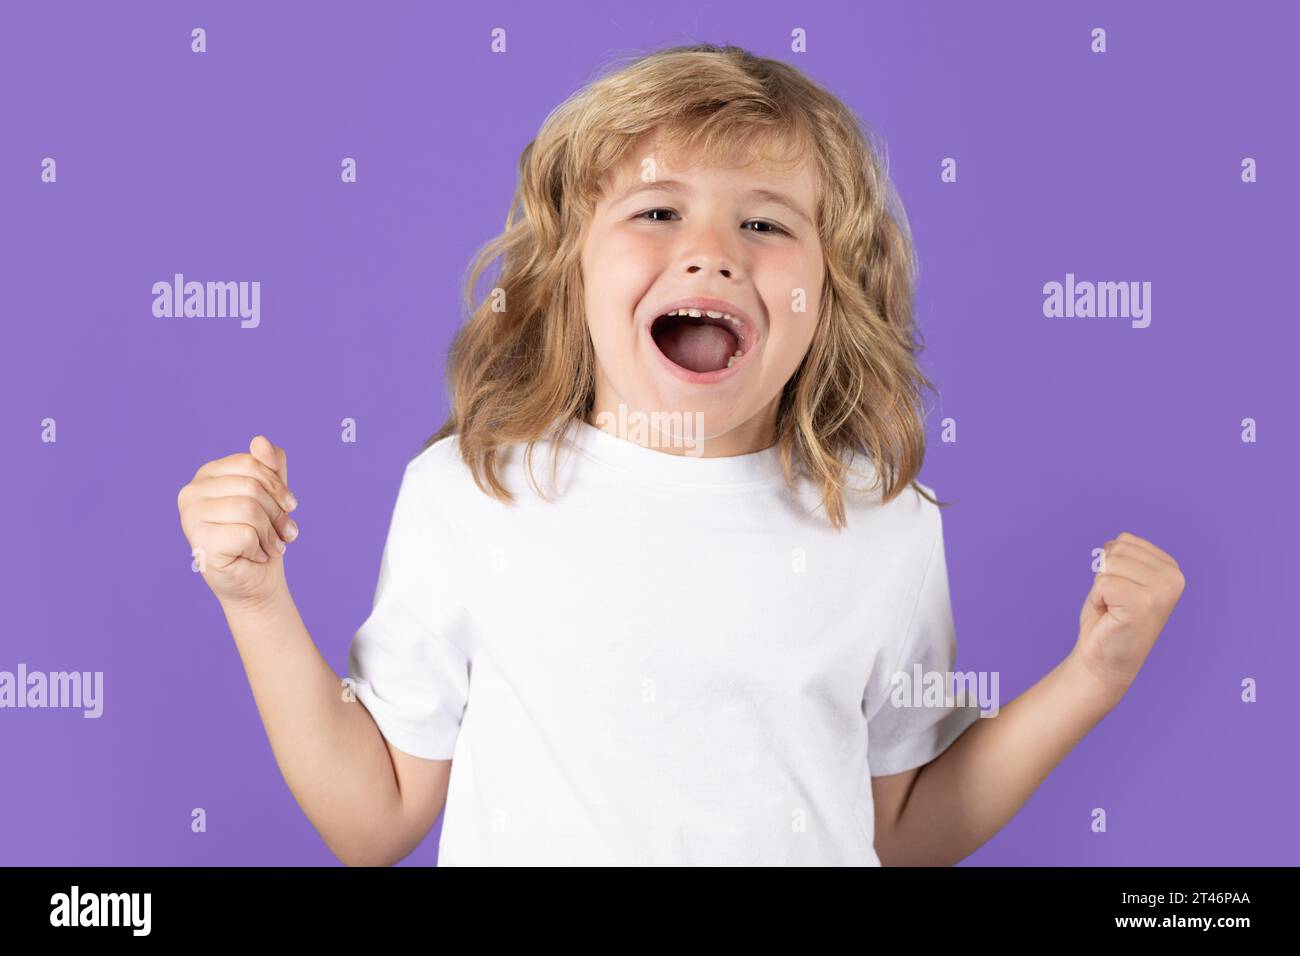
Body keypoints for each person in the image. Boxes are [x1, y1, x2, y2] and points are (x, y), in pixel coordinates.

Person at [175, 44, 1185, 866]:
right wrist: (255, 597)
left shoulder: (885, 520)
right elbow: (375, 816)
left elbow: (899, 826)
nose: (711, 251)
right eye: (657, 211)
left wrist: (1090, 677)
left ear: (828, 296)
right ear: (570, 270)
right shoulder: (469, 494)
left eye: (763, 221)